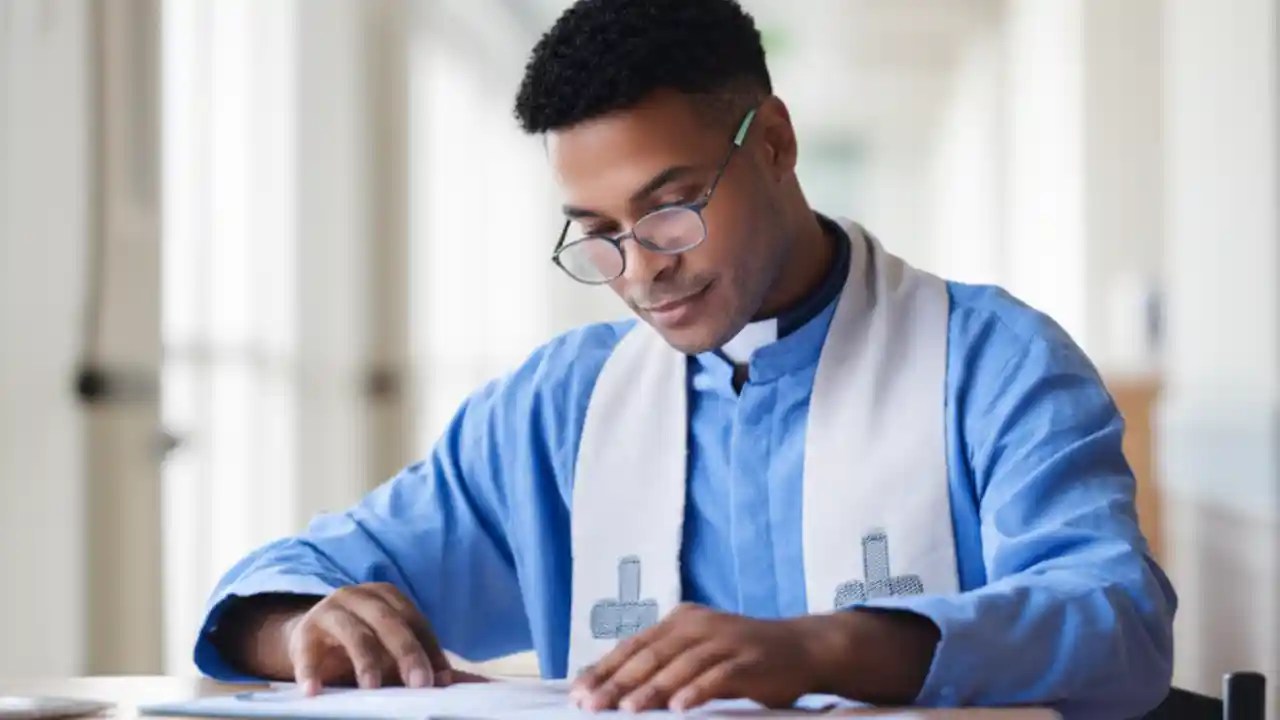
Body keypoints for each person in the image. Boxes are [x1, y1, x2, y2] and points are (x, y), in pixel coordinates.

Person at [195, 0, 1176, 716]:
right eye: (597, 232)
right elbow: (288, 579)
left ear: (776, 143)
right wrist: (298, 628)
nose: (640, 271)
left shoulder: (991, 364)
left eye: (668, 208)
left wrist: (822, 649)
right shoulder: (561, 407)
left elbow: (1113, 624)